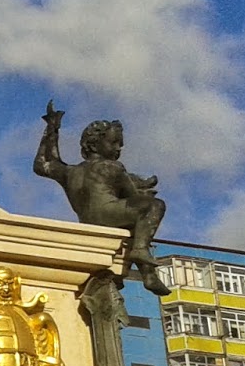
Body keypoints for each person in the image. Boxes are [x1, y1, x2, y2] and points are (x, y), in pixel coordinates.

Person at [33, 106, 169, 295]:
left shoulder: (69, 172)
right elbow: (131, 196)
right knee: (153, 207)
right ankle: (142, 256)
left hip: (87, 220)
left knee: (136, 225)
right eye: (114, 143)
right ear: (94, 145)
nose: (118, 148)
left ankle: (145, 272)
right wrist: (144, 190)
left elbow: (42, 164)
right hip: (107, 214)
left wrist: (51, 130)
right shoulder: (112, 167)